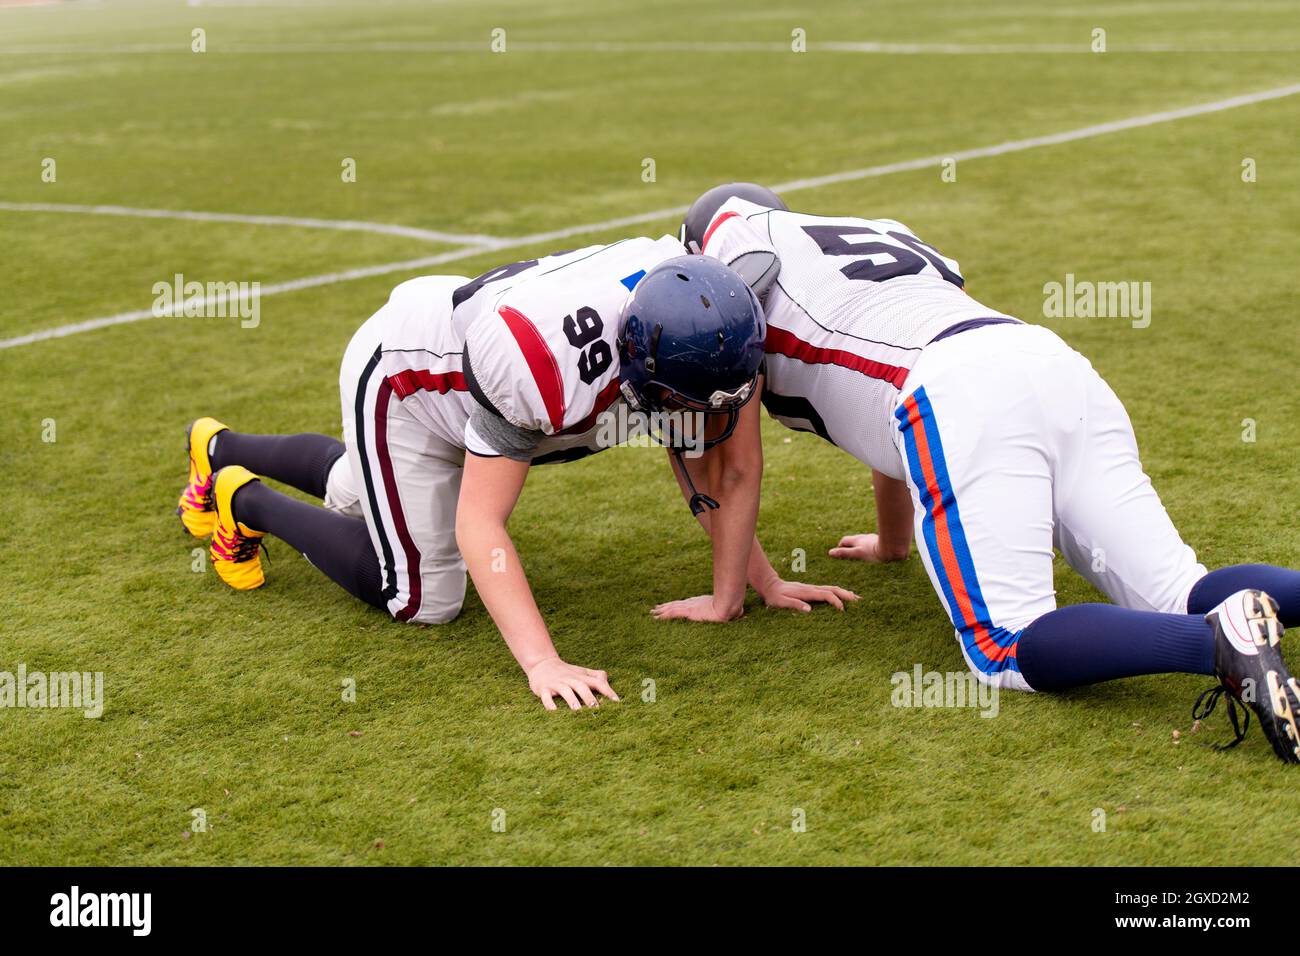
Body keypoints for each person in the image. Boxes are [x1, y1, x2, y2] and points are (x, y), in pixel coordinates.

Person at [684, 182, 1300, 762]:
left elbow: (736, 468)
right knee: (1178, 590)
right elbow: (878, 402)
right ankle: (1226, 622)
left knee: (1002, 644)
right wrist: (894, 543)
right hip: (1049, 362)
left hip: (956, 394)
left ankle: (1215, 645)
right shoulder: (868, 229)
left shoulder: (734, 262)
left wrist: (726, 597)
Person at [175, 242, 852, 710]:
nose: (712, 417)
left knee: (358, 491)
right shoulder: (544, 370)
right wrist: (543, 663)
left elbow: (710, 467)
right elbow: (481, 521)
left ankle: (221, 444)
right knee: (422, 597)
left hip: (475, 365)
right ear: (643, 371)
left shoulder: (702, 315)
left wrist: (757, 582)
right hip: (411, 383)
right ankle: (241, 497)